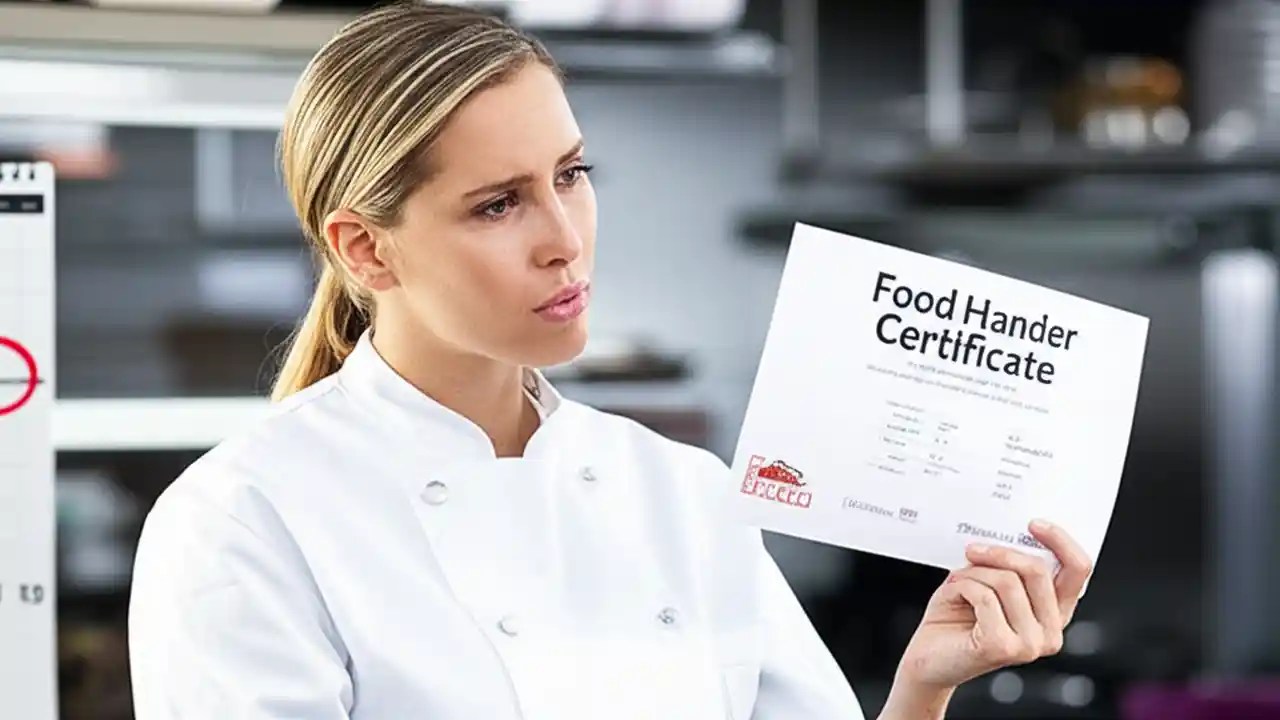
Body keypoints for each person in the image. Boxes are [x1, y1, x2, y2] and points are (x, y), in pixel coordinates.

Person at [126, 3, 1094, 718]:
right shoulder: (246, 522)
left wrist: (922, 688)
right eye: (497, 204)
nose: (565, 240)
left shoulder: (682, 492)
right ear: (366, 249)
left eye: (571, 175)